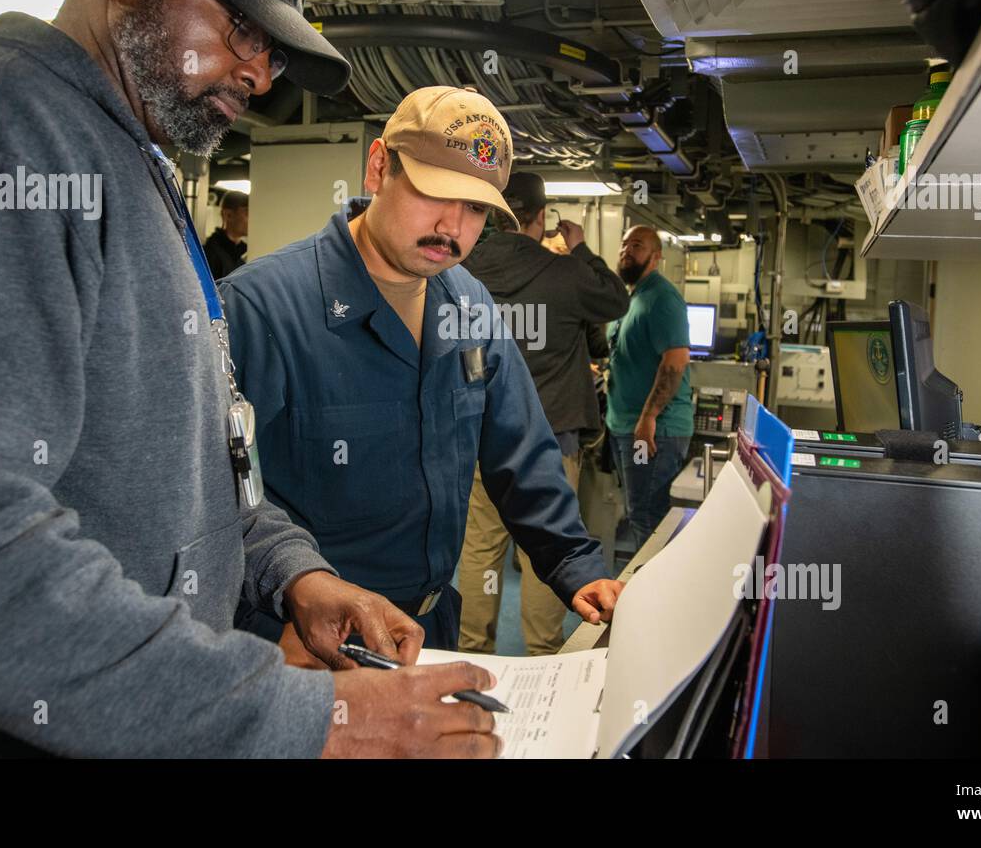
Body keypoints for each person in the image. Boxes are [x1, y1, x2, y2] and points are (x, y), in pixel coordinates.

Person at [0, 0, 501, 759]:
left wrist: (290, 575)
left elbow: (204, 461)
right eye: (243, 33)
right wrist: (303, 719)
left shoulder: (130, 159)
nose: (261, 77)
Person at [219, 86, 625, 657]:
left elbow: (522, 454)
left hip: (432, 631)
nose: (453, 227)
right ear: (378, 166)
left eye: (477, 209)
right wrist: (291, 589)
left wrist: (576, 566)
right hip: (305, 646)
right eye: (435, 193)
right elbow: (216, 496)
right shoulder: (261, 310)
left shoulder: (471, 306)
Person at [456, 172, 629, 655]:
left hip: (480, 432)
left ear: (494, 214)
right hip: (552, 437)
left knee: (481, 549)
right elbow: (617, 298)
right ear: (541, 217)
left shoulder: (466, 268)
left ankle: (471, 650)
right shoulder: (564, 273)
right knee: (544, 548)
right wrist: (579, 249)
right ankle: (544, 654)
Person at [606, 225, 693, 552]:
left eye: (638, 246)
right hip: (625, 425)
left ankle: (654, 597)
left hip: (653, 431)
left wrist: (648, 418)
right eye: (624, 244)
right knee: (639, 512)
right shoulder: (633, 296)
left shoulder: (662, 298)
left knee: (647, 516)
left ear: (656, 258)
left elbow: (675, 361)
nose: (627, 250)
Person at [204, 189, 249, 278]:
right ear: (228, 215)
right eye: (247, 212)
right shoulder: (211, 254)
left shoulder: (239, 256)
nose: (252, 218)